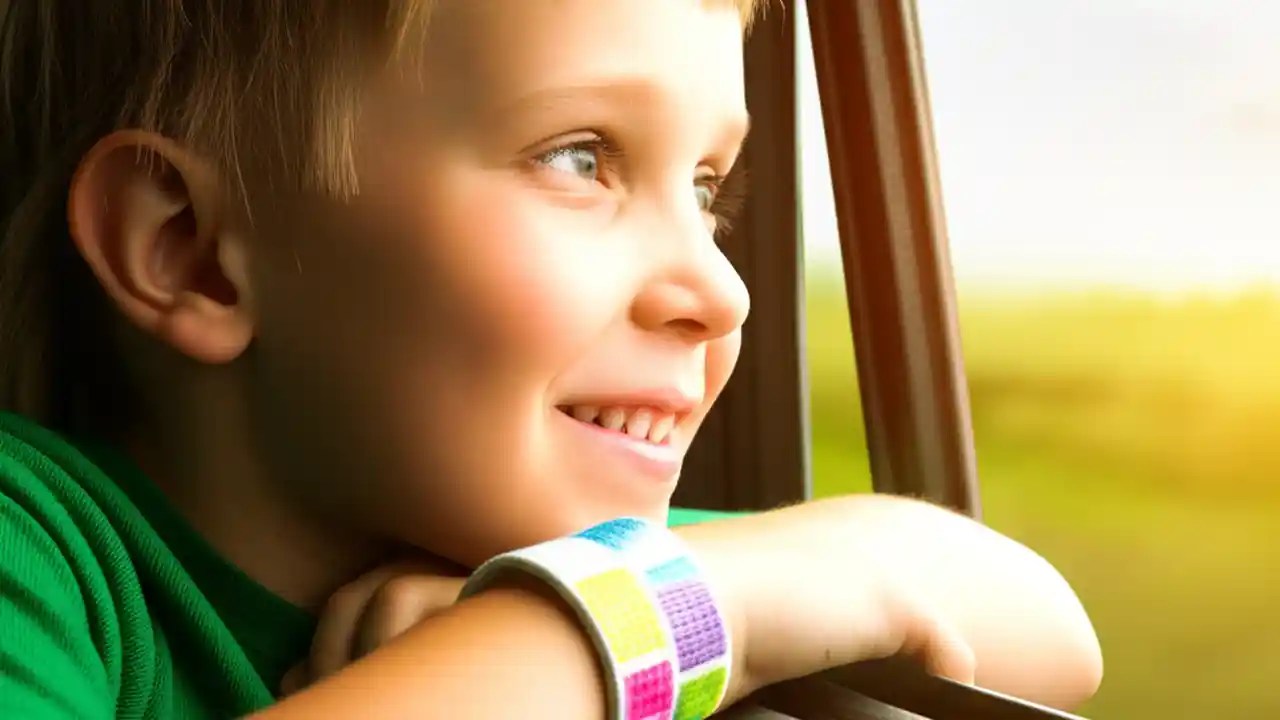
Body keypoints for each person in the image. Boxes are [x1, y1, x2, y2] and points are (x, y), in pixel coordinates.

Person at [0, 1, 1103, 717]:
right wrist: (576, 639)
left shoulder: (564, 560)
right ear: (192, 253)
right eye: (582, 158)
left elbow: (1047, 632)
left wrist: (651, 599)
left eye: (707, 190)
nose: (719, 292)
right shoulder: (35, 550)